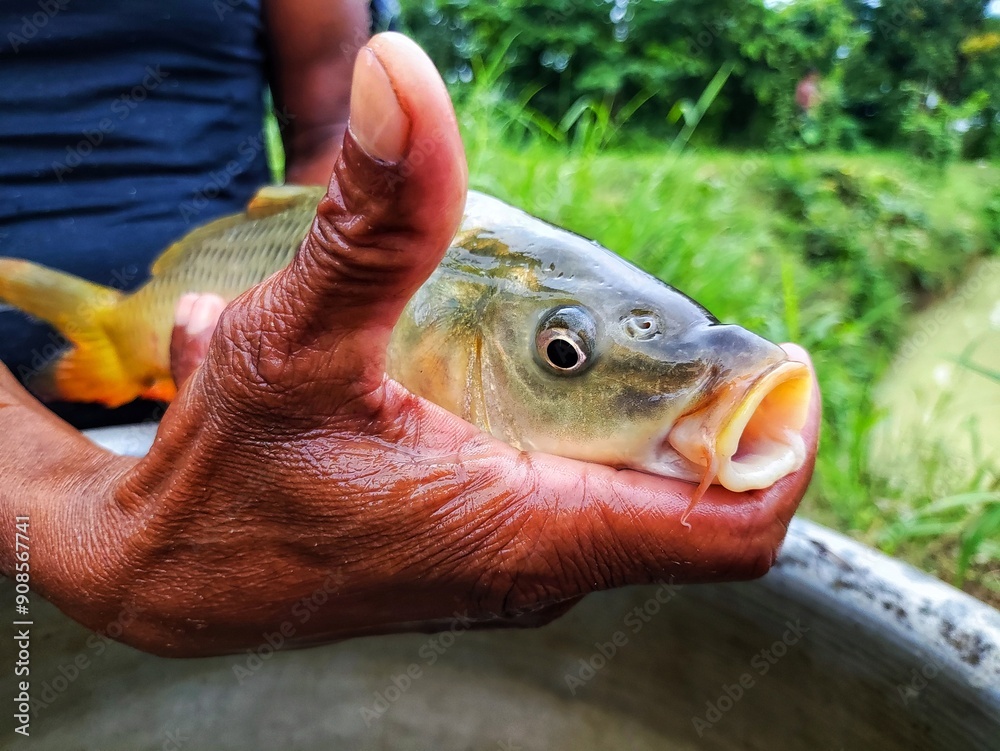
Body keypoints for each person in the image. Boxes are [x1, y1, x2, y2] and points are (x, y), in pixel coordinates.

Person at [0, 31, 820, 656]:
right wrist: (66, 513)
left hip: (266, 272)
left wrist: (350, 236)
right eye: (562, 352)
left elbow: (333, 120)